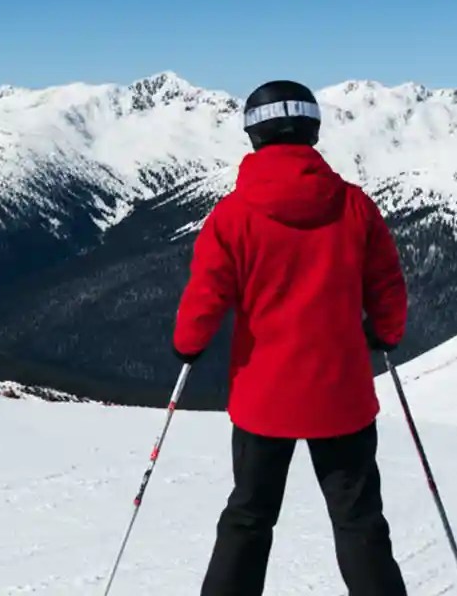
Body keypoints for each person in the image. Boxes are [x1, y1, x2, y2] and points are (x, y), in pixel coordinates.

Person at [172, 79, 410, 596]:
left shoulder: (232, 215)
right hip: (342, 396)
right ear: (313, 132)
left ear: (254, 136)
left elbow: (207, 293)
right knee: (359, 520)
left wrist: (188, 344)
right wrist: (384, 334)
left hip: (263, 398)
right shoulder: (354, 207)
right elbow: (388, 285)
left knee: (249, 517)